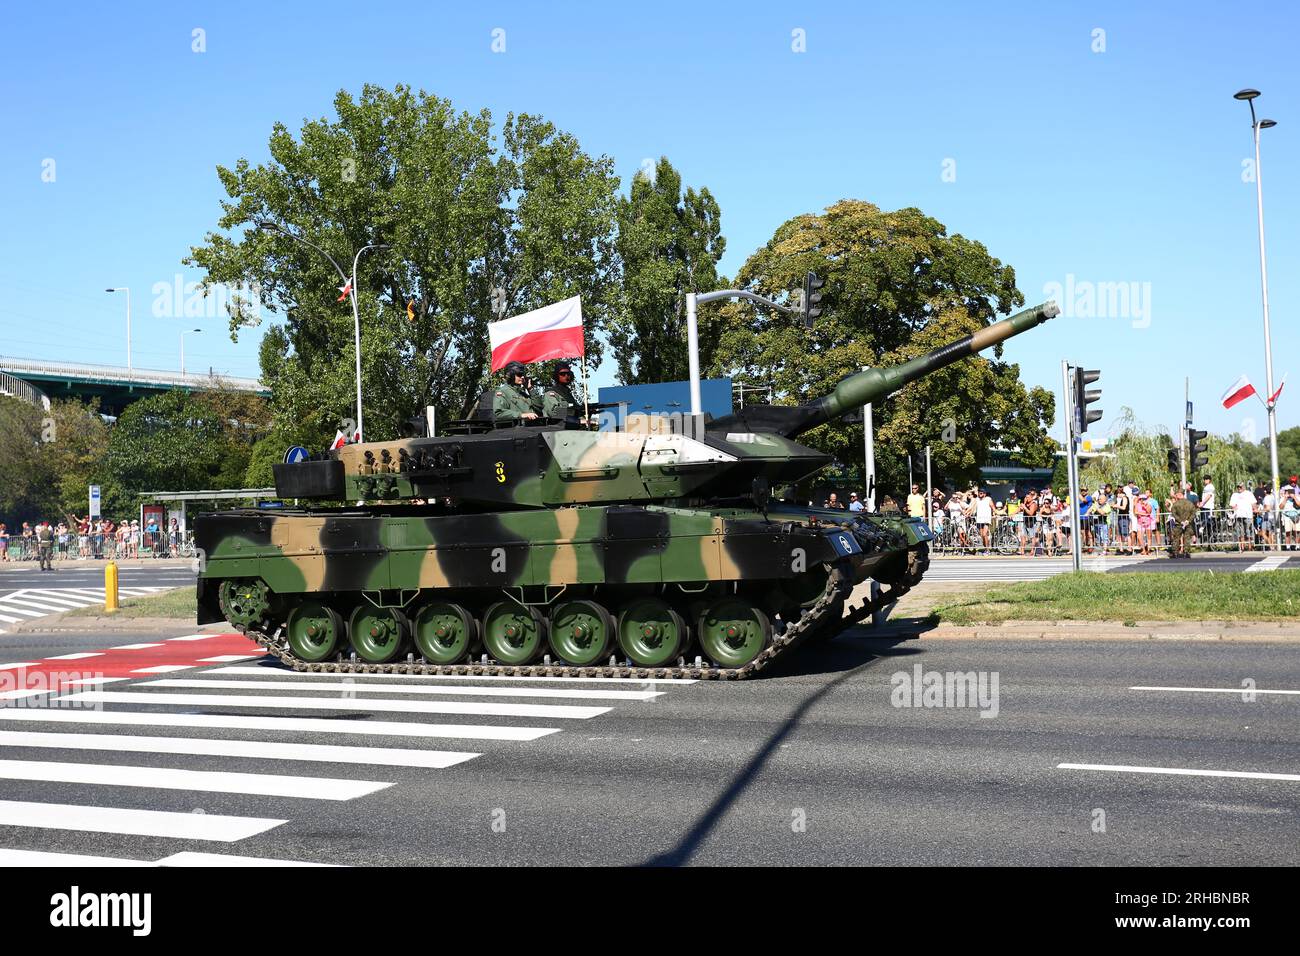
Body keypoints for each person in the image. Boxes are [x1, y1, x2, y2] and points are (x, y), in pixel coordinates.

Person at [1169, 489, 1197, 559]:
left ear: (1179, 494)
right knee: (1187, 538)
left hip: (1178, 524)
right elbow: (1193, 513)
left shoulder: (1176, 504)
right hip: (1188, 524)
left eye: (1176, 494)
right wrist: (1188, 520)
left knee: (1176, 538)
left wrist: (1180, 521)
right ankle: (1186, 553)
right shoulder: (1190, 503)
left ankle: (1175, 553)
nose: (1176, 495)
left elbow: (1173, 514)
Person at [1229, 482, 1255, 552]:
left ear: (1244, 487)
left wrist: (1254, 511)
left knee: (1248, 531)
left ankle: (1250, 547)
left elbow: (1253, 504)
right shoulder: (1234, 495)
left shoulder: (1249, 493)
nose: (1239, 488)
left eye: (1240, 487)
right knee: (1241, 532)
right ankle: (1242, 547)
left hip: (1248, 515)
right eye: (1238, 487)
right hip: (1238, 515)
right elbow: (1232, 505)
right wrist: (1234, 507)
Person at [974, 489, 994, 553]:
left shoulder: (988, 499)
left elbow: (993, 507)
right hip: (979, 520)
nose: (980, 494)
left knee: (985, 534)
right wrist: (967, 514)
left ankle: (987, 550)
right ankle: (985, 548)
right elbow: (972, 507)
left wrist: (995, 513)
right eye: (979, 493)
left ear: (984, 494)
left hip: (986, 519)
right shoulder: (977, 499)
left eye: (981, 493)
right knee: (982, 535)